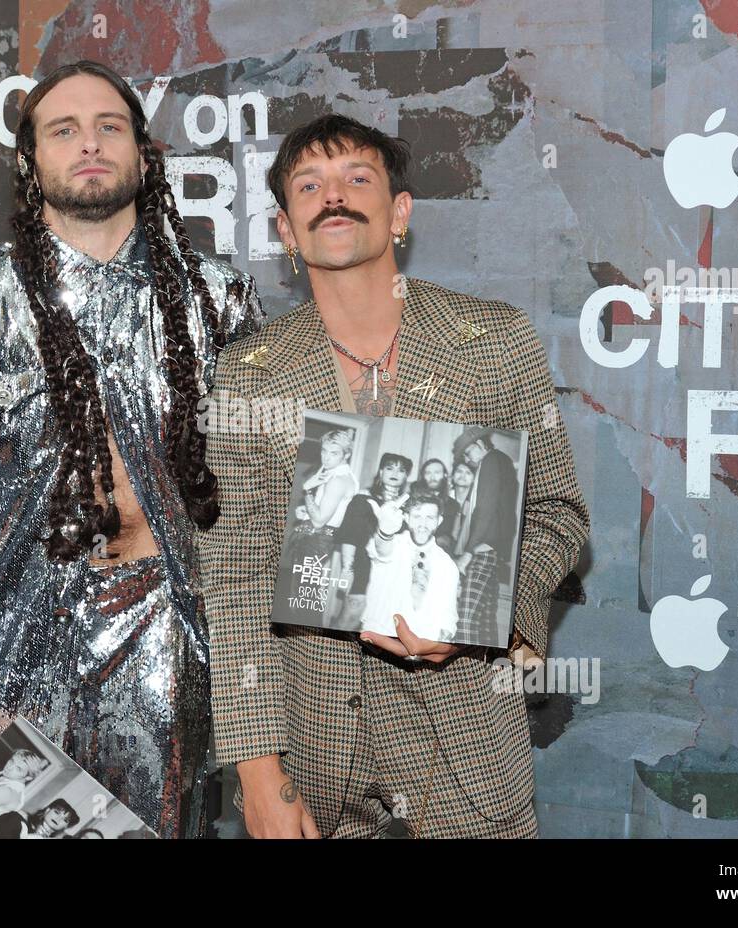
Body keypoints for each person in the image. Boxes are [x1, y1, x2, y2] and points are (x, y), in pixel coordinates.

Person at [0, 59, 264, 840]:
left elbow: (262, 505)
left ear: (145, 157)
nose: (90, 143)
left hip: (170, 644)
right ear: (29, 160)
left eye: (110, 127)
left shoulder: (219, 299)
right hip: (7, 651)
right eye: (64, 129)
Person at [198, 113, 589, 838]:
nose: (333, 197)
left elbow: (557, 516)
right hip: (317, 755)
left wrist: (485, 613)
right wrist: (257, 770)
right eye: (309, 186)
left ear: (399, 211)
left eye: (357, 178)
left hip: (466, 740)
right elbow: (236, 575)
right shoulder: (244, 377)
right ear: (286, 230)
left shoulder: (493, 340)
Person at [275, 429, 358, 619]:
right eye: (324, 451)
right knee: (304, 596)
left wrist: (307, 490)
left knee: (303, 599)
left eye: (334, 453)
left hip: (316, 538)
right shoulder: (339, 475)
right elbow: (329, 513)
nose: (326, 458)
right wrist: (306, 511)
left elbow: (319, 520)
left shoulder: (337, 480)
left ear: (347, 454)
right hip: (318, 538)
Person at [361, 492, 460, 641]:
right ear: (406, 518)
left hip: (422, 643)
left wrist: (441, 639)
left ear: (439, 521)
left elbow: (448, 615)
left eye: (429, 518)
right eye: (417, 517)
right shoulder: (395, 545)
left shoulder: (448, 565)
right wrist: (385, 531)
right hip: (381, 635)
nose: (423, 524)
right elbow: (381, 551)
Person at [332, 452, 412, 626]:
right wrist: (347, 568)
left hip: (393, 571)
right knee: (352, 615)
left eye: (401, 470)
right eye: (389, 468)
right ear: (381, 472)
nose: (394, 473)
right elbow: (350, 534)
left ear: (406, 476)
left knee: (380, 622)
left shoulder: (408, 507)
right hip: (364, 566)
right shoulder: (363, 500)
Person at [454, 432, 521, 587]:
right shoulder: (502, 459)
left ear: (480, 443)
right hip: (497, 544)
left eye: (468, 452)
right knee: (485, 607)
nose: (466, 460)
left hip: (485, 544)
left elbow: (486, 508)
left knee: (468, 604)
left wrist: (468, 552)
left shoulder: (490, 460)